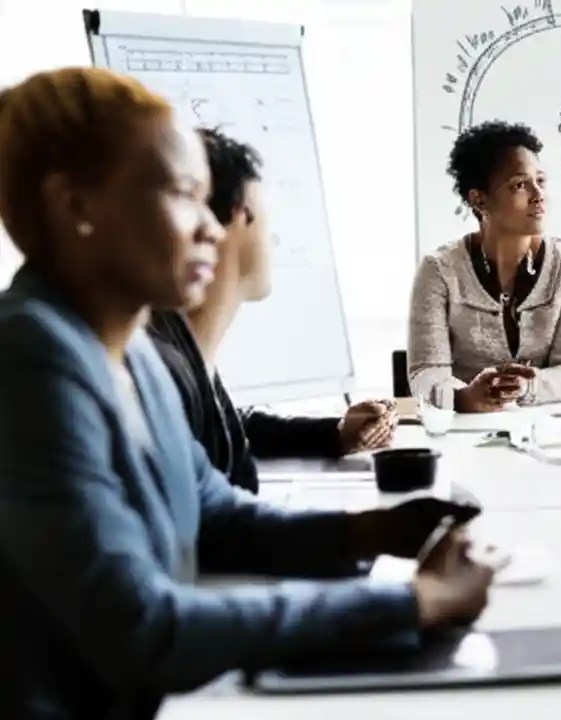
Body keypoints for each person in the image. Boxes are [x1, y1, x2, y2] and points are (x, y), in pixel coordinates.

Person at [0, 67, 494, 719]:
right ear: (77, 207)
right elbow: (146, 630)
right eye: (182, 194)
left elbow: (217, 514)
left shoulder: (132, 354)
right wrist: (415, 601)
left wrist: (373, 530)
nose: (212, 227)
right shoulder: (28, 359)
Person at [147, 127, 396, 495]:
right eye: (266, 219)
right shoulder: (159, 373)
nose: (273, 241)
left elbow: (232, 425)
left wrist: (335, 433)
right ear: (233, 220)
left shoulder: (180, 347)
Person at [408, 120, 561, 413]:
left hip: (543, 431)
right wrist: (465, 397)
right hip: (462, 430)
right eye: (520, 185)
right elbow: (426, 373)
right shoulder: (439, 270)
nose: (538, 194)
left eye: (540, 180)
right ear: (479, 199)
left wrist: (527, 387)